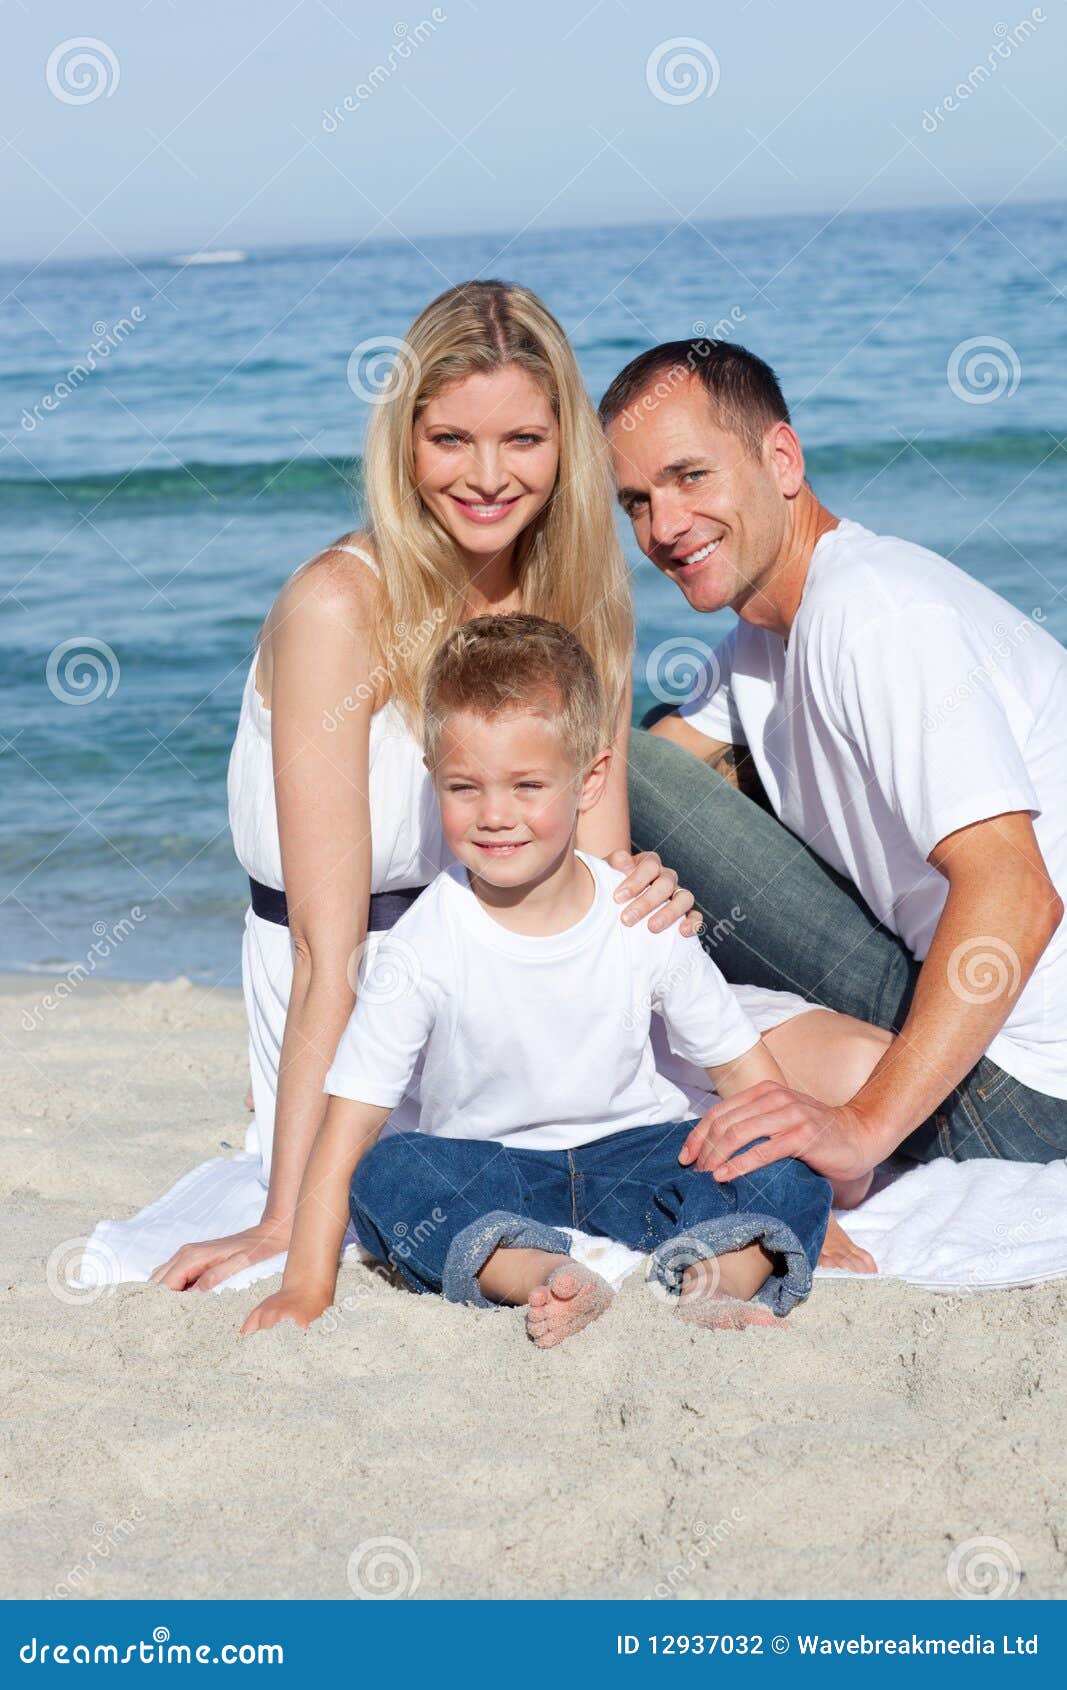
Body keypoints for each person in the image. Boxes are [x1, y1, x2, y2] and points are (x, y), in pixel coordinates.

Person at [90, 280, 696, 1296]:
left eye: (523, 440)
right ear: (403, 441)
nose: (489, 476)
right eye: (450, 438)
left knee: (796, 1076)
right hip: (362, 992)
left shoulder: (581, 592)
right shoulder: (338, 605)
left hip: (516, 969)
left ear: (565, 446)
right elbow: (327, 952)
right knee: (418, 1187)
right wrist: (284, 1215)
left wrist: (642, 900)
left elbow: (587, 871)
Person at [242, 617, 889, 1347]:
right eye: (464, 786)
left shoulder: (638, 913)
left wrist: (817, 1215)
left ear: (588, 780)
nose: (495, 815)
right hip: (489, 1166)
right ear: (433, 778)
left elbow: (746, 1076)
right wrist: (305, 1282)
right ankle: (541, 1278)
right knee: (389, 1173)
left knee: (781, 1171)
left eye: (526, 785)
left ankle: (713, 1285)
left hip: (642, 1153)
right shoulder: (425, 940)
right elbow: (350, 1121)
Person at [600, 337, 1067, 1185]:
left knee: (610, 772)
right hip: (976, 1012)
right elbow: (657, 776)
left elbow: (1018, 892)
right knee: (612, 780)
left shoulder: (872, 613)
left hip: (1030, 1088)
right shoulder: (762, 637)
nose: (662, 529)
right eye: (635, 501)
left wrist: (859, 1128)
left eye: (690, 477)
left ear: (781, 459)